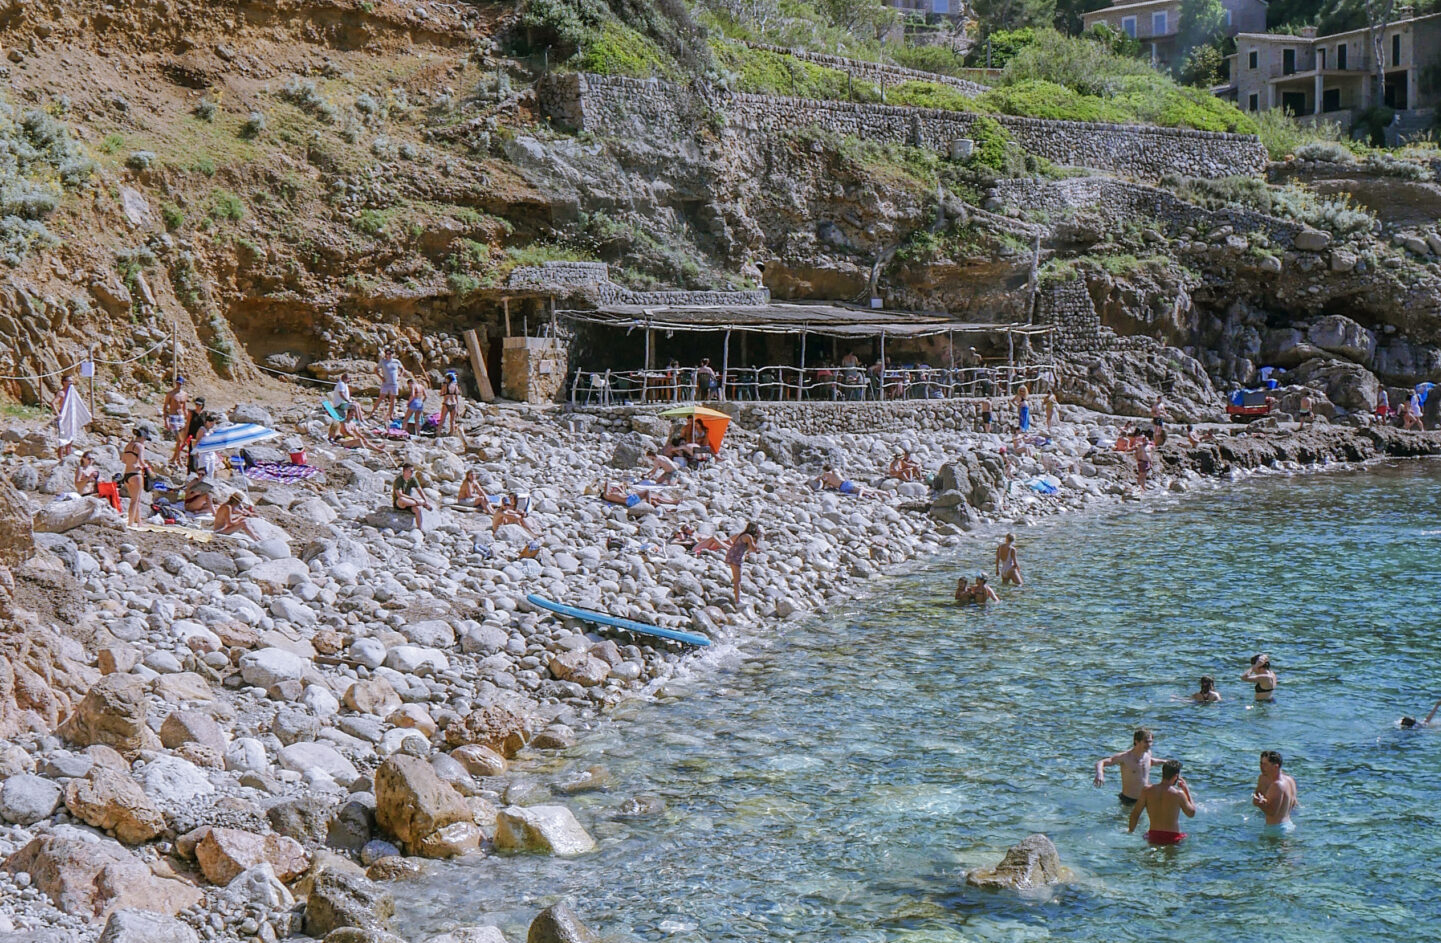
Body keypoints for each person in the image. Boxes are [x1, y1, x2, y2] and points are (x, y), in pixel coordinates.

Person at [1127, 759, 1195, 845]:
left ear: (1163, 773)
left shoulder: (1147, 791)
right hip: (1172, 837)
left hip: (1153, 835)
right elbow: (1191, 813)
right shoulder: (1178, 794)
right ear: (1176, 776)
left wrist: (1130, 831)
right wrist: (1186, 790)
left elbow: (1135, 814)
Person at [1095, 728, 1157, 806]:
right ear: (1136, 741)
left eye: (1150, 741)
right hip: (1128, 800)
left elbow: (1149, 761)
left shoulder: (1148, 753)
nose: (1149, 745)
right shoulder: (1125, 757)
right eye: (1146, 742)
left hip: (1145, 798)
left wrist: (1166, 762)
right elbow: (1101, 762)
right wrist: (1100, 773)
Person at [1252, 751, 1297, 835]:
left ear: (1275, 767)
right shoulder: (1290, 780)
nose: (1261, 767)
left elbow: (1272, 812)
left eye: (1265, 765)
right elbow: (1293, 803)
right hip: (1288, 824)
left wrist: (1259, 804)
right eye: (1261, 763)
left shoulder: (1277, 785)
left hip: (1276, 829)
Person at [52, 375, 89, 461]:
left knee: (71, 436)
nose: (71, 383)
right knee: (63, 436)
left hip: (71, 415)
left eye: (72, 381)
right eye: (69, 381)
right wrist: (58, 414)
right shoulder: (62, 393)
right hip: (64, 415)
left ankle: (68, 456)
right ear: (64, 382)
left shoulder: (72, 393)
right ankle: (60, 458)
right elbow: (53, 403)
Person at [120, 427, 151, 527]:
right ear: (143, 437)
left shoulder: (128, 445)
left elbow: (123, 460)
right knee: (134, 500)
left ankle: (139, 522)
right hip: (136, 474)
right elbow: (141, 462)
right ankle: (130, 523)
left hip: (126, 474)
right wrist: (148, 468)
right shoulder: (140, 446)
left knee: (136, 499)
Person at [725, 521, 760, 605]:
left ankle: (738, 595)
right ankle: (737, 601)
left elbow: (730, 540)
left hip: (731, 556)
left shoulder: (741, 534)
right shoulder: (748, 537)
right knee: (737, 580)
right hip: (735, 558)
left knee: (736, 579)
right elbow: (753, 549)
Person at [392, 463, 432, 529]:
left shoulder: (413, 479)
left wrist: (425, 501)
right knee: (401, 499)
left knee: (417, 509)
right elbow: (399, 494)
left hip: (410, 503)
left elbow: (420, 490)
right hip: (400, 503)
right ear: (405, 471)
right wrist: (415, 500)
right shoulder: (398, 480)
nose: (412, 473)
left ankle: (420, 528)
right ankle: (421, 504)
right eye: (411, 471)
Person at [175, 396, 207, 468]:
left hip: (201, 437)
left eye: (199, 405)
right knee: (191, 454)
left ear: (202, 405)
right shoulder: (191, 413)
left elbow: (205, 426)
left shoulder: (205, 414)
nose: (197, 406)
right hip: (192, 436)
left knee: (200, 455)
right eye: (196, 404)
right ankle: (190, 471)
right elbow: (187, 425)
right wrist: (185, 438)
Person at [161, 377, 189, 457]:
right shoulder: (170, 394)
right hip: (173, 416)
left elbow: (184, 408)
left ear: (182, 384)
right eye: (177, 383)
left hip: (181, 417)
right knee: (179, 439)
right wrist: (166, 420)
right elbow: (165, 407)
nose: (178, 385)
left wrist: (188, 419)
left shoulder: (184, 394)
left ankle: (175, 458)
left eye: (180, 383)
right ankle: (176, 458)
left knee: (182, 440)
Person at [375, 349, 405, 422]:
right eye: (387, 354)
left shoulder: (396, 361)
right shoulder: (383, 361)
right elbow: (376, 369)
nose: (388, 355)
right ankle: (373, 411)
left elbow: (402, 369)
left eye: (390, 354)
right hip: (386, 383)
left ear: (393, 354)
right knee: (381, 397)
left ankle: (391, 414)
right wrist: (381, 377)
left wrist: (400, 376)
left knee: (393, 399)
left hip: (394, 383)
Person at [438, 371, 462, 437]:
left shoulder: (445, 385)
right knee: (452, 421)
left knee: (442, 419)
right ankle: (451, 434)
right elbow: (457, 396)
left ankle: (438, 434)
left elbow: (441, 393)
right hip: (454, 403)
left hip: (446, 403)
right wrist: (458, 407)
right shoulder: (455, 385)